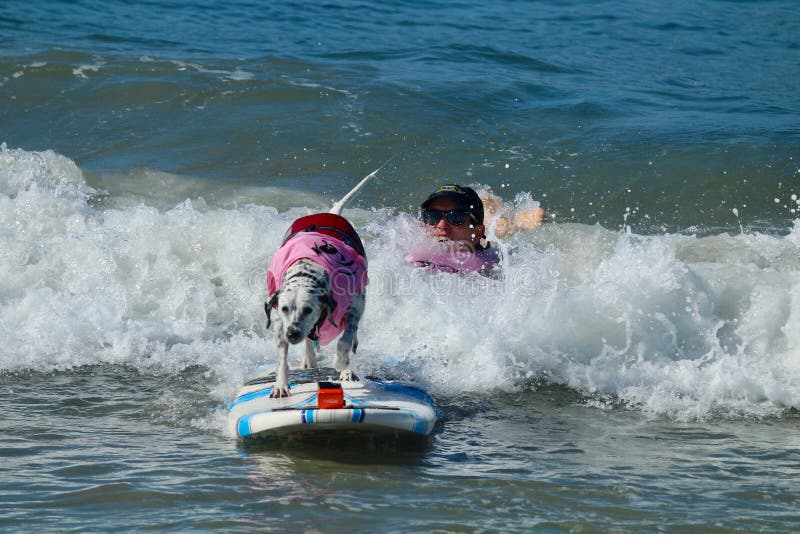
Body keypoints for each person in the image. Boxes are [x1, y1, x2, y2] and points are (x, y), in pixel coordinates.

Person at [405, 184, 547, 278]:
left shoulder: (494, 264)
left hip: (478, 244)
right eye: (433, 216)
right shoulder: (407, 243)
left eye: (456, 218)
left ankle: (510, 223)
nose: (441, 225)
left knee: (497, 236)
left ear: (477, 233)